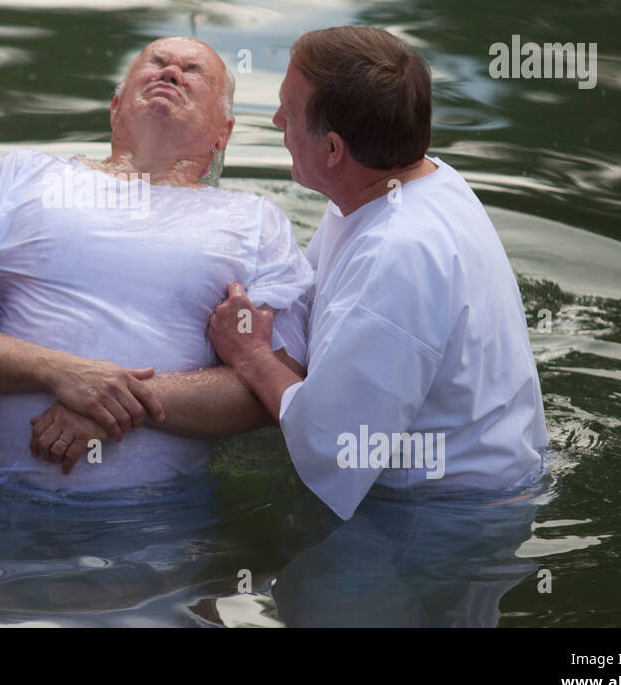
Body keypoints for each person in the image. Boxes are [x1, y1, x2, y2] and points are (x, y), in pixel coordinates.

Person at [0, 37, 315, 491]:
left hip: (156, 524)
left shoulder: (253, 222)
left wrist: (117, 400)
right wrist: (59, 372)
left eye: (195, 72)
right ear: (115, 107)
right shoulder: (22, 176)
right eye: (156, 62)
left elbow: (278, 389)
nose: (171, 72)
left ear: (223, 134)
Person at [209, 26, 548, 520]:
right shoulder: (407, 184)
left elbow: (336, 444)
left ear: (333, 151)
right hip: (467, 492)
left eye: (289, 111)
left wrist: (253, 355)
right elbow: (313, 300)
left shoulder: (399, 252)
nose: (278, 119)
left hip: (444, 522)